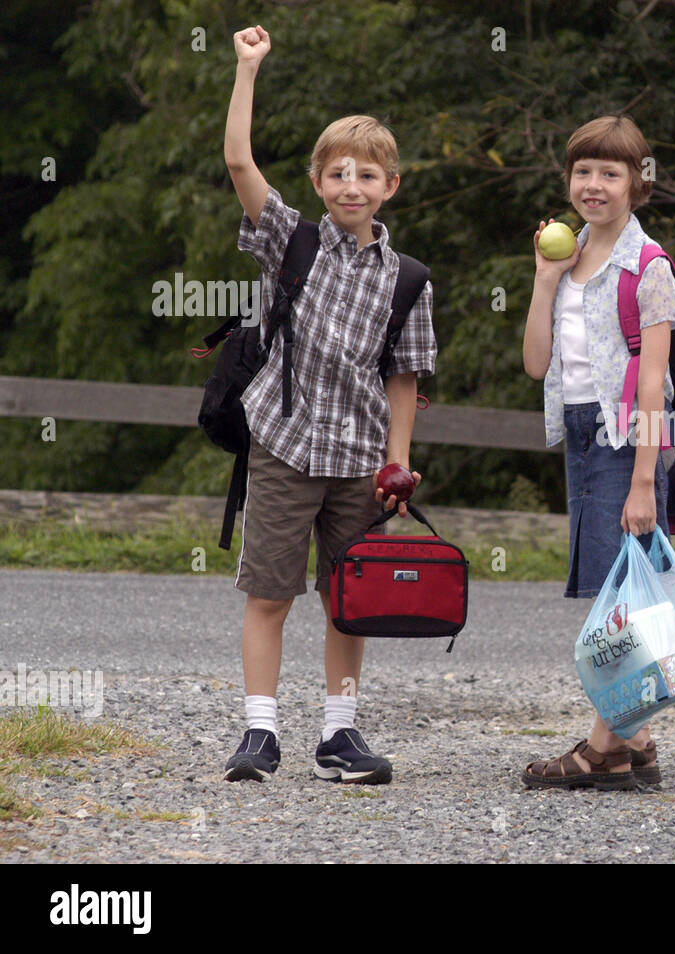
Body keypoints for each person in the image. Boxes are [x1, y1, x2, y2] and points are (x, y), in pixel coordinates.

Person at [220, 25, 436, 784]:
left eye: (367, 176)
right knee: (271, 594)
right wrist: (248, 69)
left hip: (359, 462)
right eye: (338, 173)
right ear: (317, 183)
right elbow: (239, 160)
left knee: (350, 601)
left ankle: (339, 737)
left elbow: (405, 377)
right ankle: (259, 733)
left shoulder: (409, 278)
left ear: (390, 187)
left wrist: (398, 467)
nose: (352, 185)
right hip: (284, 445)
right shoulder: (292, 242)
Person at [519, 115, 675, 790]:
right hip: (581, 440)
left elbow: (653, 385)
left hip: (627, 446)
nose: (594, 184)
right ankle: (634, 739)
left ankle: (599, 747)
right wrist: (544, 279)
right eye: (583, 171)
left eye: (610, 173)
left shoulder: (650, 269)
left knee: (625, 601)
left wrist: (644, 481)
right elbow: (535, 365)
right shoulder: (566, 257)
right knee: (609, 596)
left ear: (637, 185)